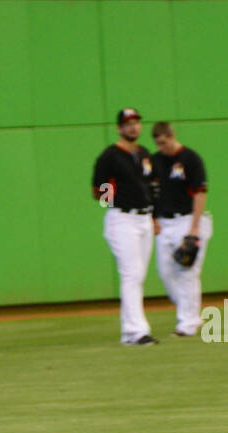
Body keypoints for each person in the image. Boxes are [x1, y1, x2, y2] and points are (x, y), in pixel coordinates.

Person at [91, 108, 158, 346]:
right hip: (122, 219)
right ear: (119, 128)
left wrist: (154, 216)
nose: (133, 127)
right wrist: (117, 201)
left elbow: (152, 185)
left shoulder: (144, 153)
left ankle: (129, 332)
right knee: (132, 274)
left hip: (145, 219)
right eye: (127, 123)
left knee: (138, 276)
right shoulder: (110, 156)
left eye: (136, 122)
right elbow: (98, 191)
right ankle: (136, 331)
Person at [151, 121, 211, 338]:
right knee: (165, 272)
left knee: (187, 272)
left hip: (188, 220)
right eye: (158, 143)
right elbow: (152, 192)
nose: (162, 147)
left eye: (164, 142)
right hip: (165, 223)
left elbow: (200, 193)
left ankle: (186, 325)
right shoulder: (155, 160)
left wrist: (194, 229)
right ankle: (192, 315)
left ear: (172, 135)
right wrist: (153, 218)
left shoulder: (190, 159)